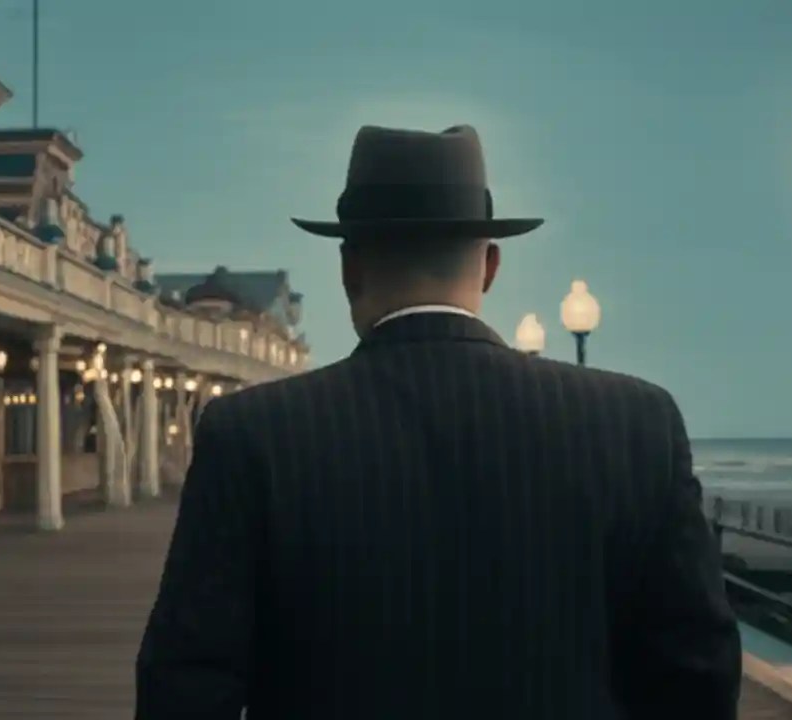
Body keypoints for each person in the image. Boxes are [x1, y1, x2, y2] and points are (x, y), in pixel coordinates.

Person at [136, 125, 742, 719]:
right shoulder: (638, 424)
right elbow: (699, 675)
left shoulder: (250, 434)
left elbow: (186, 685)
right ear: (490, 266)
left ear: (349, 268)